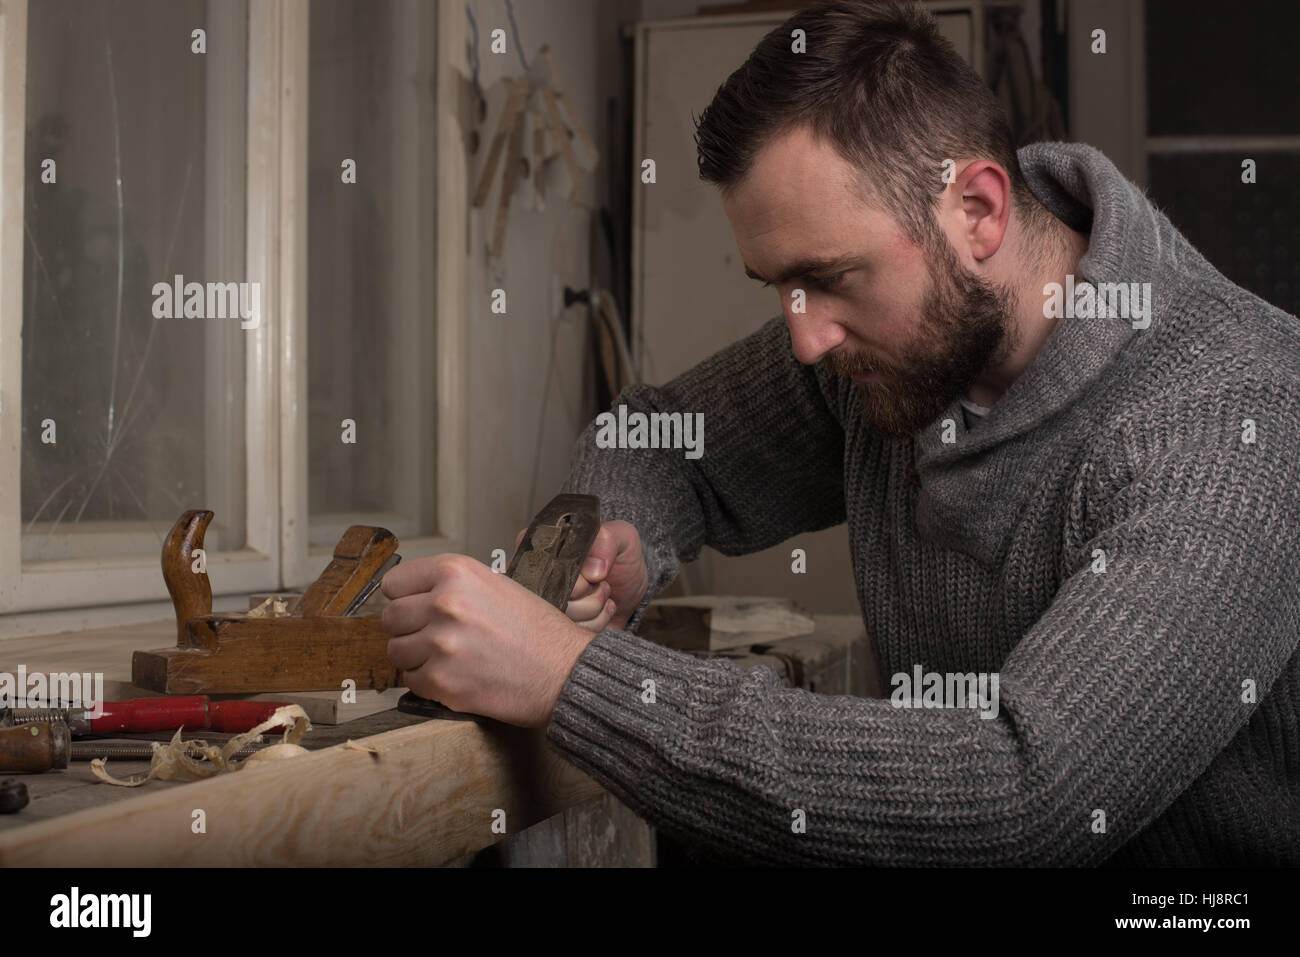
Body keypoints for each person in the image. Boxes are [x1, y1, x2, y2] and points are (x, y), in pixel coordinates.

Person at [381, 0, 1300, 865]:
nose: (807, 340)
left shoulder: (1231, 415)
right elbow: (659, 437)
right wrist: (621, 534)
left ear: (977, 211)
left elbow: (1027, 792)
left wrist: (572, 678)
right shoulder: (886, 357)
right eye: (778, 286)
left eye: (831, 278)